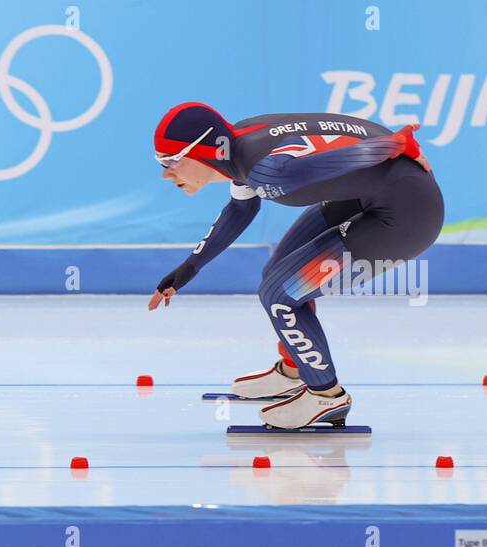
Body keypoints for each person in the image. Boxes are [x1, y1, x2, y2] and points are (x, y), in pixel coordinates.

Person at [148, 103, 443, 427]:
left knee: (280, 293)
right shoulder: (239, 146)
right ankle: (295, 369)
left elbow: (346, 156)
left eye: (171, 161)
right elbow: (241, 210)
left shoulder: (267, 172)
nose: (166, 172)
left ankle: (326, 396)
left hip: (408, 214)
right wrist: (190, 267)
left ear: (205, 151)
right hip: (377, 190)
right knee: (276, 272)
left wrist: (396, 144)